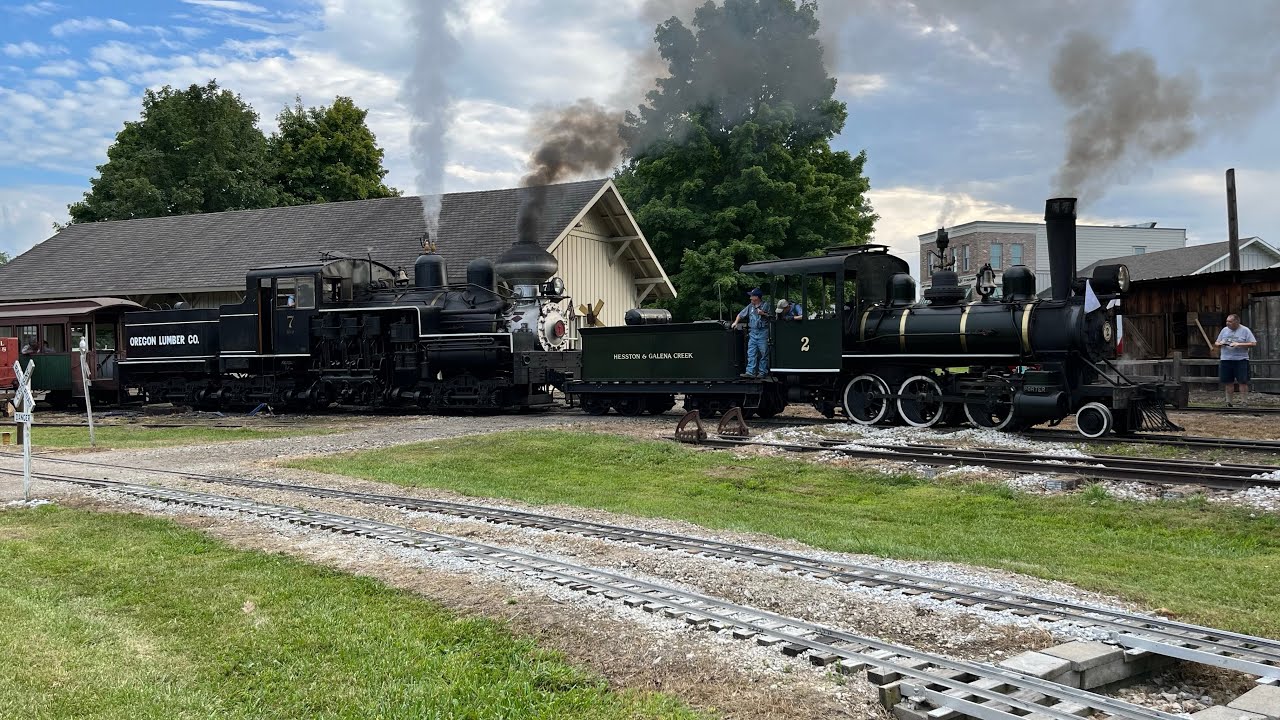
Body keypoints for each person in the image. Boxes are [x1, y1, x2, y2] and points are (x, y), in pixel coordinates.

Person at [1215, 313, 1257, 407]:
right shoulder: (1224, 330)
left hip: (1240, 360)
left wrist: (1239, 344)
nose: (1227, 323)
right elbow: (1216, 342)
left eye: (1230, 321)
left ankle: (1244, 402)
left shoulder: (1245, 330)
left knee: (1243, 381)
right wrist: (1220, 343)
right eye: (1227, 321)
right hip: (1226, 359)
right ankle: (1228, 402)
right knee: (1228, 382)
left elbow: (1253, 343)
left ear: (1236, 322)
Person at [731, 288, 770, 377]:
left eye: (752, 296)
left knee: (763, 353)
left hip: (763, 332)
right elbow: (740, 315)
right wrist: (735, 322)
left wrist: (763, 314)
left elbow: (773, 317)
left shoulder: (766, 305)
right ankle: (750, 372)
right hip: (753, 332)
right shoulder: (750, 306)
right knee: (751, 352)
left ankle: (762, 372)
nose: (750, 298)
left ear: (757, 297)